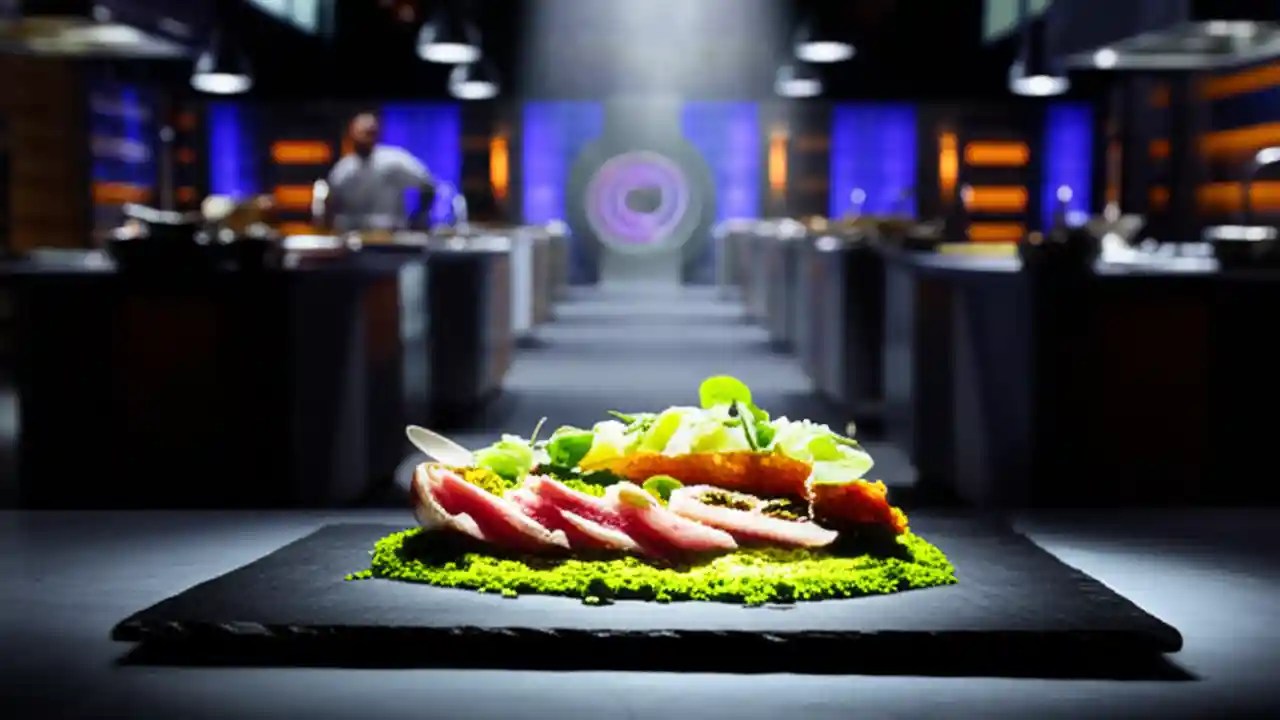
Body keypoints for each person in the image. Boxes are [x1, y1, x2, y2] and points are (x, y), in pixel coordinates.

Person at [322, 112, 438, 232]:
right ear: (351, 134)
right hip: (352, 237)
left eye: (370, 133)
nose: (364, 137)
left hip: (391, 237)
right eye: (361, 132)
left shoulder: (395, 161)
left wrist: (418, 218)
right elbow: (330, 204)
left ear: (376, 134)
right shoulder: (342, 170)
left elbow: (427, 184)